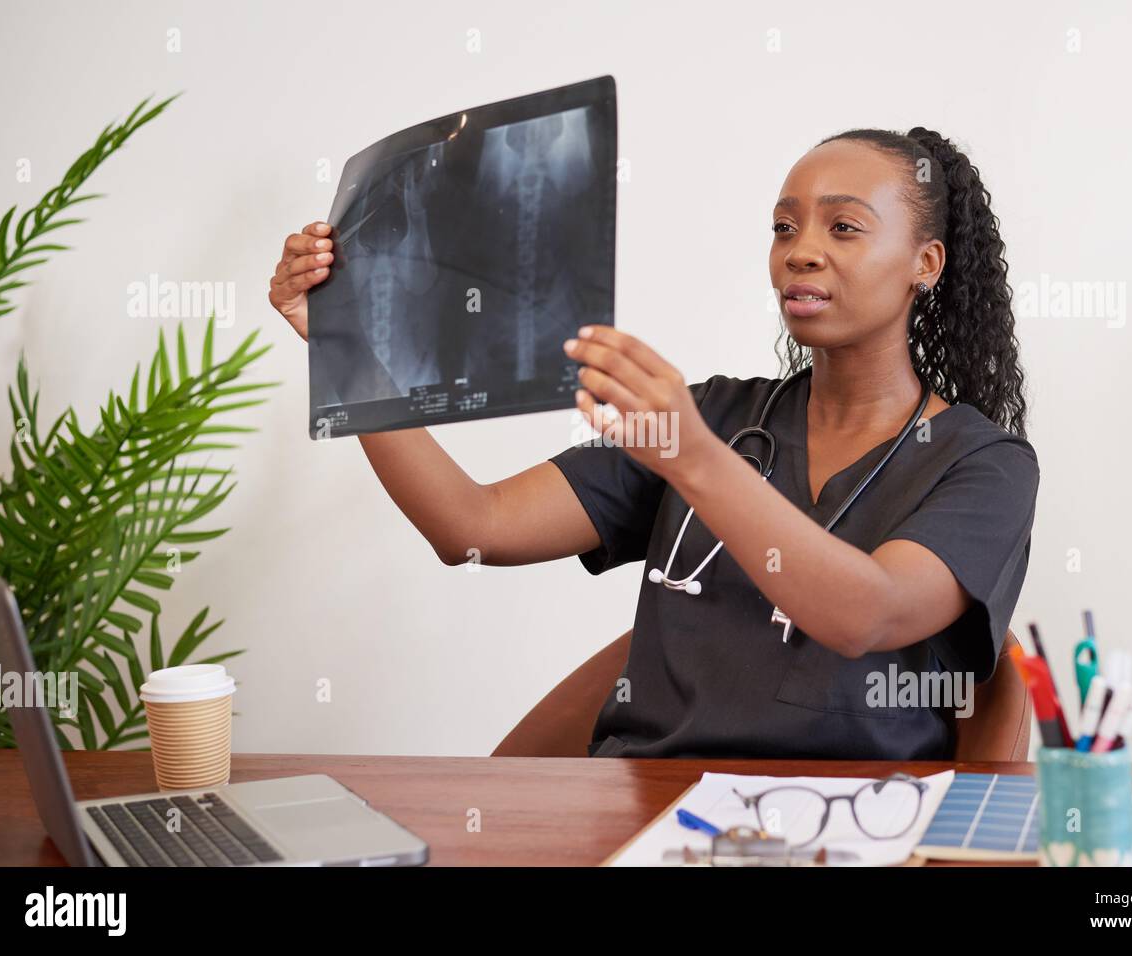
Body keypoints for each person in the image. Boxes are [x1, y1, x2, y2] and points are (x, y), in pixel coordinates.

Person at [268, 126, 1039, 760]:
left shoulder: (982, 464)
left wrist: (695, 459)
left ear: (924, 264)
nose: (800, 250)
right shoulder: (714, 413)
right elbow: (470, 527)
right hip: (645, 818)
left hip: (846, 833)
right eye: (783, 227)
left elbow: (865, 615)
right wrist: (347, 352)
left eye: (843, 227)